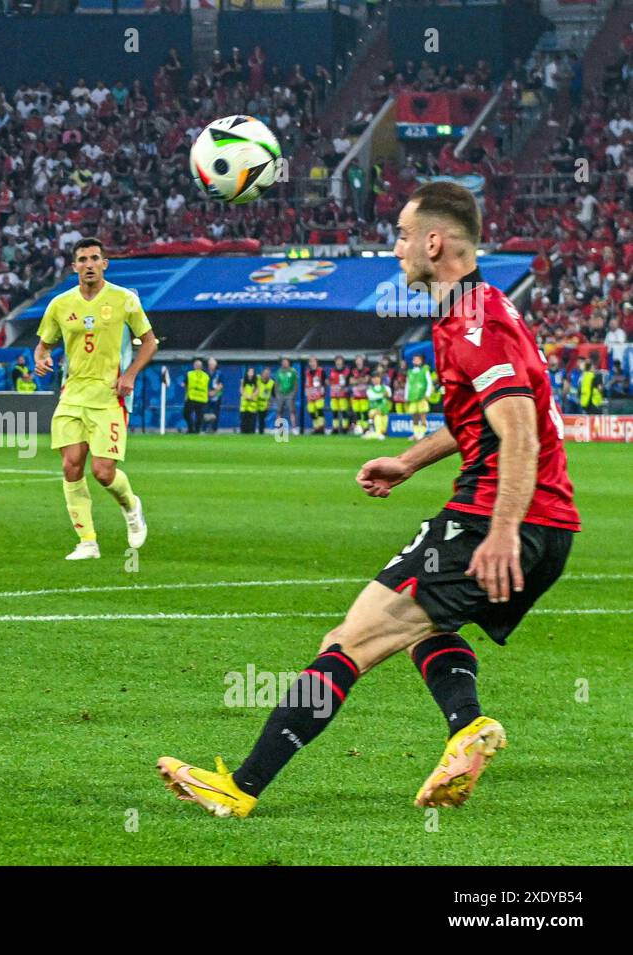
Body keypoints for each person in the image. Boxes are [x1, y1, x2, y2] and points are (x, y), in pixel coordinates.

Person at [159, 181, 580, 817]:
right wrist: (409, 462)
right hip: (544, 526)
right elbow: (483, 417)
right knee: (421, 627)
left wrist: (501, 532)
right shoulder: (481, 311)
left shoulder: (476, 322)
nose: (397, 247)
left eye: (404, 236)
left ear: (434, 242)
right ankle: (467, 728)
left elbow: (519, 428)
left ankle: (240, 788)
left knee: (348, 641)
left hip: (494, 521)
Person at [33, 237, 157, 561]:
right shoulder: (60, 304)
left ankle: (131, 506)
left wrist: (130, 375)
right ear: (74, 266)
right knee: (70, 465)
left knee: (103, 472)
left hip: (109, 397)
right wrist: (41, 358)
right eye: (83, 259)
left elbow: (150, 342)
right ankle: (87, 542)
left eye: (94, 258)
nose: (89, 264)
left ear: (105, 264)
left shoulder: (124, 299)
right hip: (72, 395)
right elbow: (44, 345)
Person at [405, 352, 434, 440]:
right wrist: (406, 397)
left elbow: (429, 383)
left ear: (421, 361)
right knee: (414, 416)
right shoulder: (410, 372)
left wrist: (427, 394)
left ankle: (422, 433)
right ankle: (415, 433)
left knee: (422, 415)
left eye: (417, 360)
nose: (416, 361)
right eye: (414, 360)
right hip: (413, 397)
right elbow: (408, 385)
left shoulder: (425, 370)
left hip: (422, 397)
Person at [363, 370, 392, 439]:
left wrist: (385, 395)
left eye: (377, 377)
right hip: (374, 410)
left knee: (383, 430)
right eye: (374, 378)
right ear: (371, 379)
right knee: (377, 414)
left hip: (384, 411)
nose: (375, 379)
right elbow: (373, 397)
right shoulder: (370, 390)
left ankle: (369, 434)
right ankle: (377, 433)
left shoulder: (386, 388)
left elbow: (389, 395)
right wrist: (383, 395)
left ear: (380, 378)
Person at [183, 358, 209, 434]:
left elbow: (184, 384)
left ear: (194, 366)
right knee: (199, 416)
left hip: (192, 398)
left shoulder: (189, 374)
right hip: (201, 398)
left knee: (187, 414)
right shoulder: (206, 376)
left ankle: (192, 429)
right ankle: (196, 430)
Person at [272, 358, 298, 433]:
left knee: (292, 411)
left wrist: (293, 393)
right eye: (283, 362)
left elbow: (295, 383)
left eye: (286, 362)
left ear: (288, 363)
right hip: (280, 394)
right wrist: (277, 394)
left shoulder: (292, 371)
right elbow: (276, 383)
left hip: (290, 394)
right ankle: (278, 428)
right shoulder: (279, 372)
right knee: (279, 411)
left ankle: (294, 428)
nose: (284, 363)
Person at [303, 356, 327, 435]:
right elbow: (306, 384)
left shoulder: (321, 371)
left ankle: (321, 427)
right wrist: (307, 394)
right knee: (311, 411)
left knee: (319, 410)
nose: (312, 363)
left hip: (319, 395)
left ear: (317, 362)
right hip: (310, 395)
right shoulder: (307, 372)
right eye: (311, 361)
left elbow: (325, 383)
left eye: (314, 361)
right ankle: (316, 427)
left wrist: (322, 393)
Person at [327, 355, 350, 434]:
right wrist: (328, 381)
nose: (338, 362)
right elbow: (329, 380)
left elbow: (349, 381)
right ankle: (335, 428)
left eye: (340, 360)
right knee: (334, 412)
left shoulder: (347, 370)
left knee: (344, 412)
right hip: (333, 394)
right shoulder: (332, 370)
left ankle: (345, 428)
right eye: (337, 360)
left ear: (342, 362)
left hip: (343, 395)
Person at [204, 357, 224, 433]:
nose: (211, 365)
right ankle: (204, 428)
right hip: (206, 396)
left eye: (213, 364)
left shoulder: (219, 373)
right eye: (210, 364)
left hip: (217, 396)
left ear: (216, 365)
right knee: (205, 412)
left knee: (216, 413)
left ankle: (214, 429)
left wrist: (214, 392)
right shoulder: (205, 373)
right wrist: (208, 392)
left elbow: (221, 384)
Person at [238, 367, 259, 434]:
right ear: (247, 373)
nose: (251, 373)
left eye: (252, 372)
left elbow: (257, 391)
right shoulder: (243, 381)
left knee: (252, 421)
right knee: (244, 420)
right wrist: (246, 396)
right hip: (244, 405)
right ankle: (243, 432)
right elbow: (241, 390)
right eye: (249, 371)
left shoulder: (256, 381)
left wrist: (251, 397)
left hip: (252, 405)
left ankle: (252, 432)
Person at [255, 366, 274, 434]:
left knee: (262, 419)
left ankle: (261, 432)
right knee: (252, 418)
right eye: (265, 373)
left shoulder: (271, 382)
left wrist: (269, 404)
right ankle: (251, 432)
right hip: (255, 402)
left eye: (268, 373)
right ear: (262, 373)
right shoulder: (257, 379)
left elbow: (273, 394)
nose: (266, 375)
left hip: (264, 403)